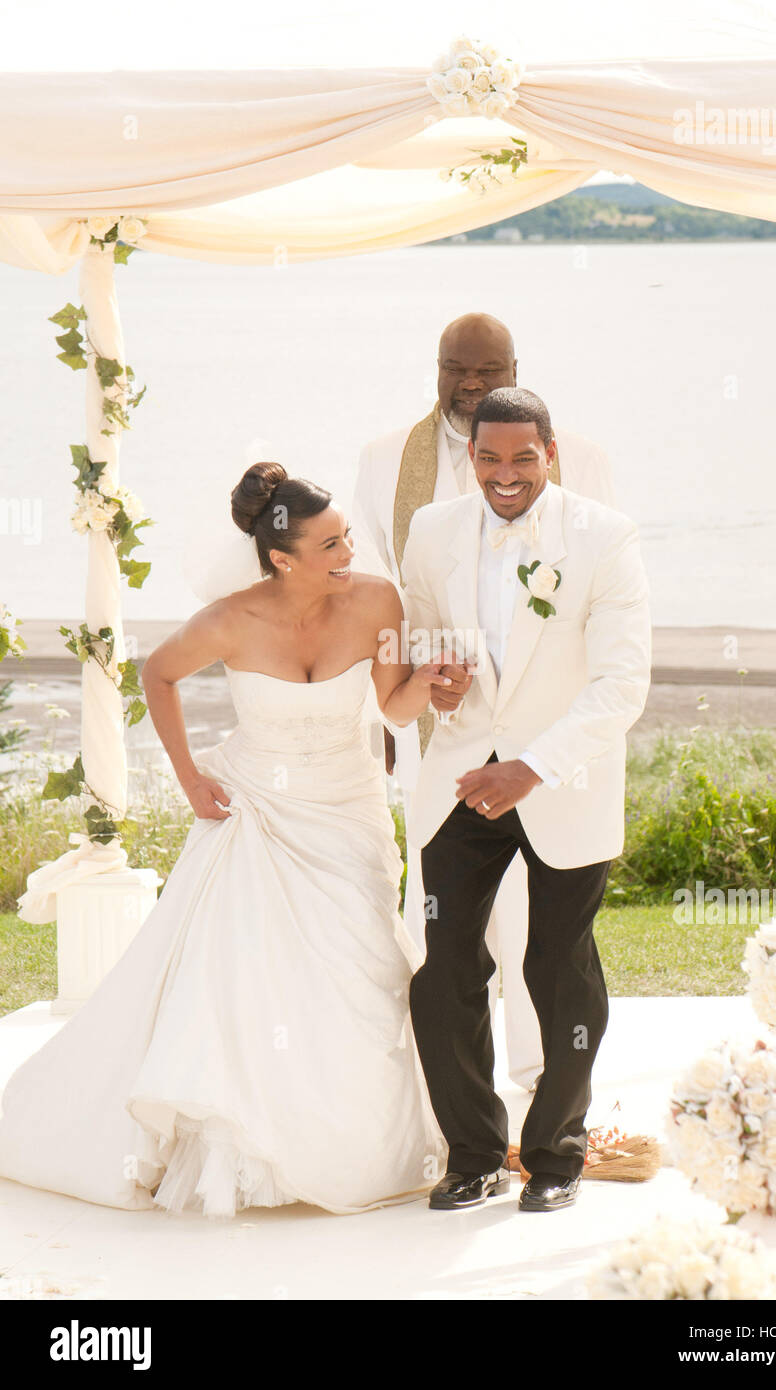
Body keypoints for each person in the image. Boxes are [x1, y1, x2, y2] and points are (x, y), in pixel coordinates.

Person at [0, 465, 447, 1217]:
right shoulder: (230, 618)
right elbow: (158, 675)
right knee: (243, 968)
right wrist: (189, 779)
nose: (349, 553)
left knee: (360, 966)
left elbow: (393, 710)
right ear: (281, 557)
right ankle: (241, 1144)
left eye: (347, 537)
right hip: (256, 809)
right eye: (331, 544)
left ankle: (358, 1142)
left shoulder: (377, 600)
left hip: (347, 810)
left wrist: (429, 679)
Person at [401, 387, 651, 1213]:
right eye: (487, 457)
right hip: (458, 784)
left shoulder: (604, 538)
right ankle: (471, 1152)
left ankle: (556, 1157)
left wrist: (532, 767)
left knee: (557, 966)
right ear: (468, 456)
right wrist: (438, 682)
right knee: (444, 975)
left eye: (521, 457)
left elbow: (621, 686)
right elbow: (422, 636)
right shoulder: (431, 530)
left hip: (562, 786)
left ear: (550, 454)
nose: (503, 475)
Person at [353, 312, 616, 1091]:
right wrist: (399, 704)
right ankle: (445, 1101)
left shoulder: (586, 460)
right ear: (434, 367)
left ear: (513, 367)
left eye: (486, 370)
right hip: (442, 733)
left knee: (541, 917)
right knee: (440, 924)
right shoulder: (380, 462)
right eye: (453, 369)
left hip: (546, 745)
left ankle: (541, 1080)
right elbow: (381, 603)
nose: (469, 383)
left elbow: (600, 584)